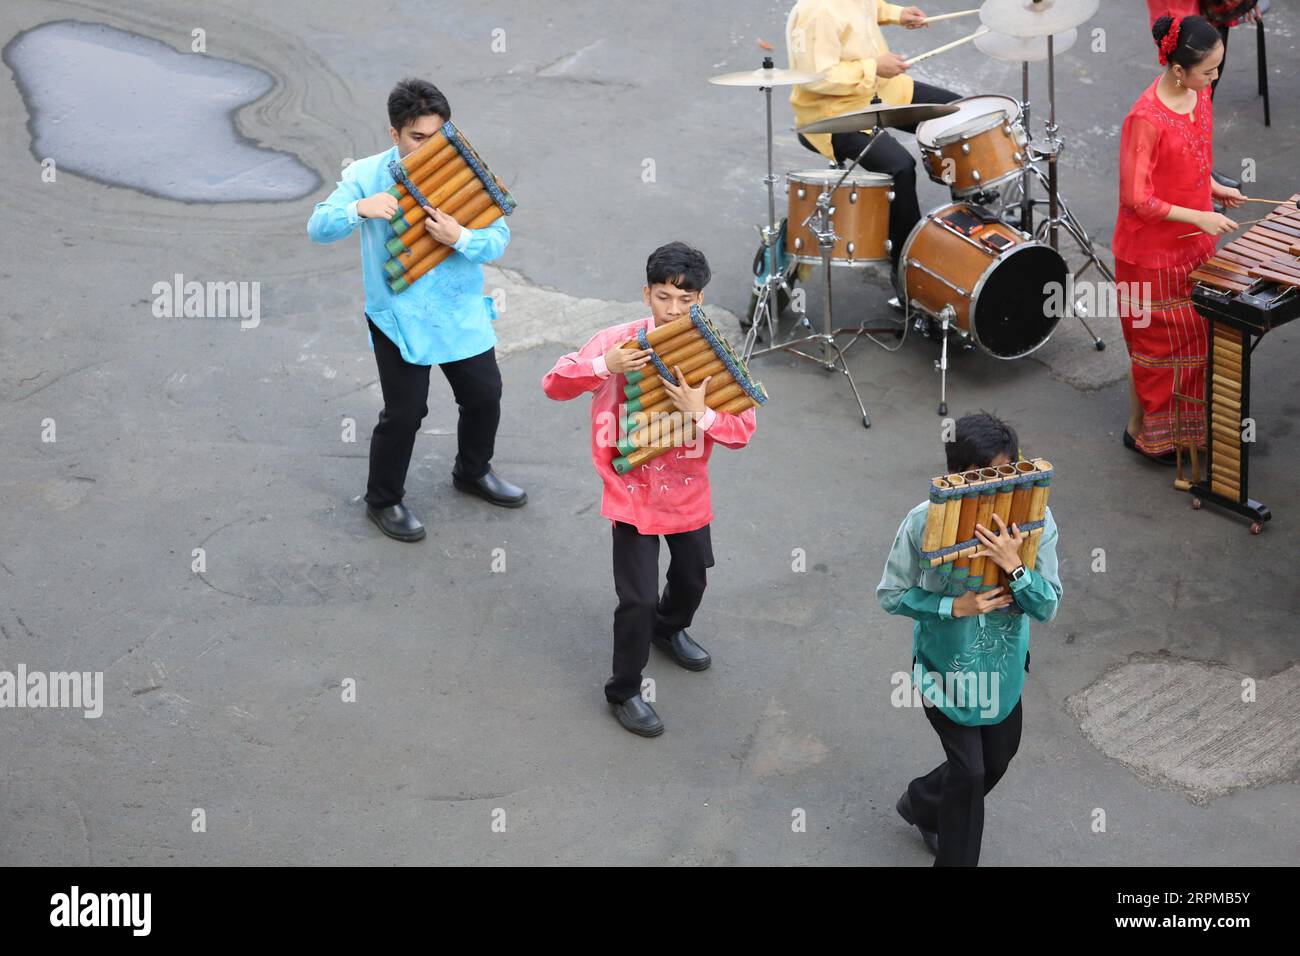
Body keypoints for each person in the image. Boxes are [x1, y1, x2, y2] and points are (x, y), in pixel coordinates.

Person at [541, 243, 757, 738]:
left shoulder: (713, 357)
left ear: (700, 299)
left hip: (686, 491)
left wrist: (699, 413)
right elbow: (553, 385)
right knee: (635, 598)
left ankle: (670, 627)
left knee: (693, 577)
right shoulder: (616, 343)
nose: (674, 311)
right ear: (647, 294)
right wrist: (604, 368)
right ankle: (624, 690)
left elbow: (743, 429)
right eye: (663, 298)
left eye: (686, 301)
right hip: (630, 489)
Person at [307, 78, 526, 543]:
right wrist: (358, 210)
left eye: (438, 135)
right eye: (417, 138)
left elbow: (498, 239)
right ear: (395, 134)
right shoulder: (366, 175)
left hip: (457, 310)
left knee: (485, 397)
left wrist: (460, 238)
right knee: (405, 413)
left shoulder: (462, 171)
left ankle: (473, 471)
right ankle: (383, 500)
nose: (429, 148)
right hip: (397, 316)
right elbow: (318, 227)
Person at [879, 413, 1062, 866]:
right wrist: (952, 606)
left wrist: (1016, 567)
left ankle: (921, 802)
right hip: (947, 672)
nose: (1001, 490)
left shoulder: (1038, 521)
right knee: (972, 772)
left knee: (995, 762)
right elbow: (891, 594)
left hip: (1003, 672)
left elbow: (1048, 605)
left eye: (1009, 472)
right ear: (959, 477)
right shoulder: (925, 523)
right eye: (987, 477)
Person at [1113, 16, 1245, 463]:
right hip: (1147, 256)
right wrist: (1201, 216)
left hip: (1194, 243)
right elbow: (1136, 199)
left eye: (1217, 68)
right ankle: (1152, 437)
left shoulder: (1199, 93)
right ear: (1177, 69)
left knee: (1195, 342)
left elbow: (1190, 161)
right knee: (1153, 351)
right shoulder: (1144, 119)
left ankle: (1155, 428)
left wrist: (1212, 186)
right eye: (1208, 71)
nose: (1215, 78)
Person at [785, 1, 960, 294]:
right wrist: (873, 66)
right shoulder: (815, 12)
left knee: (957, 115)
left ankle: (968, 210)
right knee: (900, 167)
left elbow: (866, 8)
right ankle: (906, 262)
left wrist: (896, 15)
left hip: (880, 89)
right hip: (834, 111)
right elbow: (817, 77)